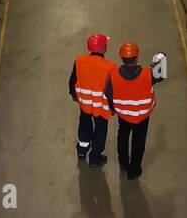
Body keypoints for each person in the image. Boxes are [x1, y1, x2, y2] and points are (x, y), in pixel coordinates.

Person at [105, 43, 164, 180]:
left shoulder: (113, 76)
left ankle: (123, 162)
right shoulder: (147, 74)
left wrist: (113, 109)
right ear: (136, 58)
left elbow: (108, 94)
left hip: (124, 115)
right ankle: (134, 169)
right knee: (139, 141)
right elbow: (161, 75)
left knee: (123, 137)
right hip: (142, 116)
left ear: (122, 58)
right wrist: (160, 58)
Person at [68, 33, 116, 167]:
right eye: (105, 44)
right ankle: (95, 158)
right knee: (101, 130)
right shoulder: (111, 67)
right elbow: (112, 91)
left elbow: (73, 80)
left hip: (85, 104)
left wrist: (74, 95)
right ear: (102, 49)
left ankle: (82, 150)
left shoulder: (79, 61)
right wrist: (113, 108)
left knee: (84, 124)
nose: (106, 45)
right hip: (101, 106)